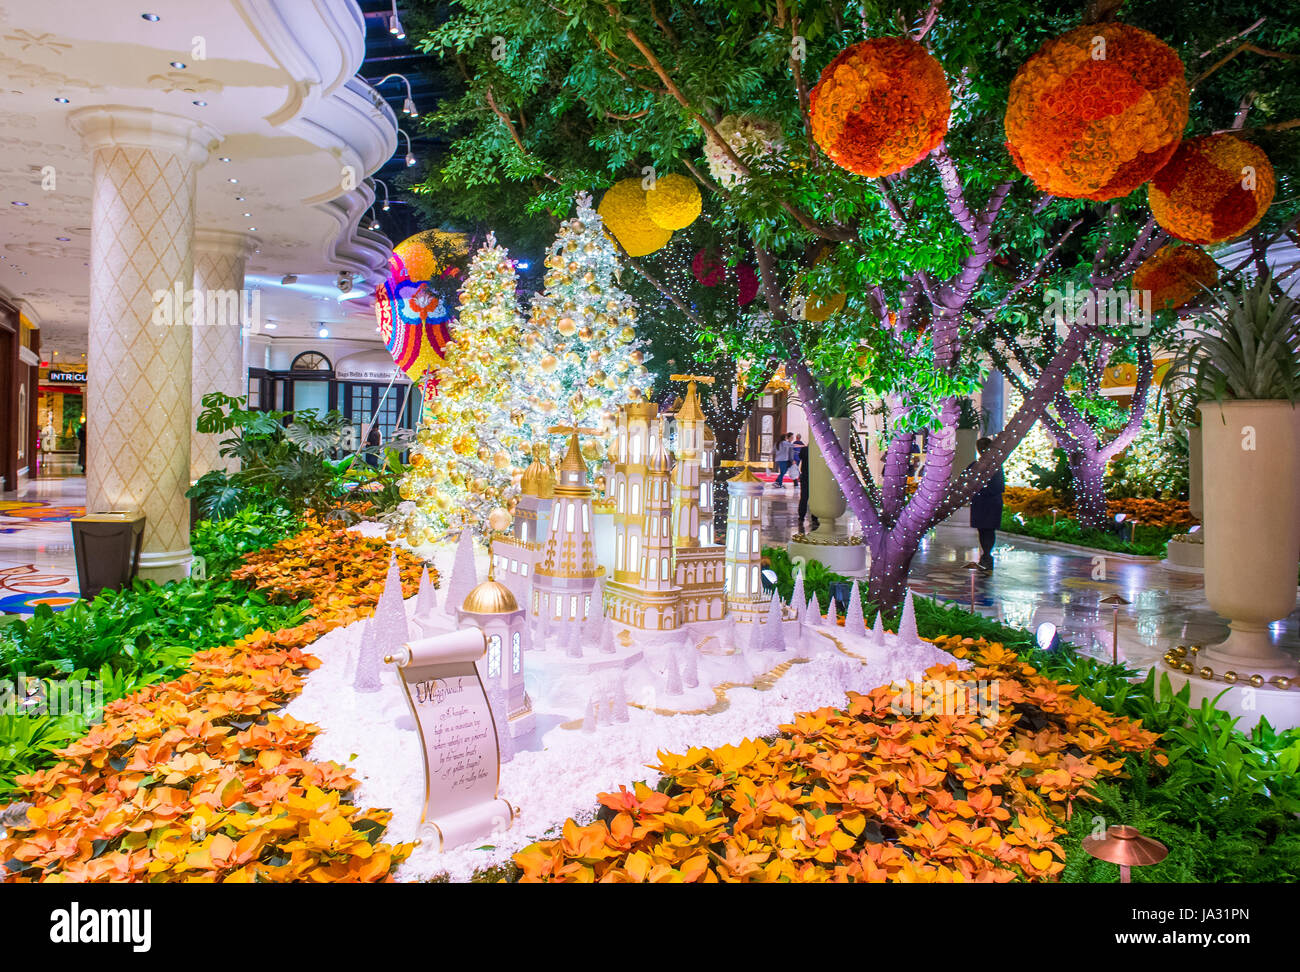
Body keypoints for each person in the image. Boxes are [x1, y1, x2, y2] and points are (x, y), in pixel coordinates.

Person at [968, 436, 1005, 571]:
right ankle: (986, 556)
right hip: (981, 502)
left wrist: (979, 489)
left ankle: (987, 556)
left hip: (989, 502)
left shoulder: (995, 466)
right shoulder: (976, 465)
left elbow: (998, 486)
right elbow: (965, 478)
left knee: (988, 530)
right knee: (983, 530)